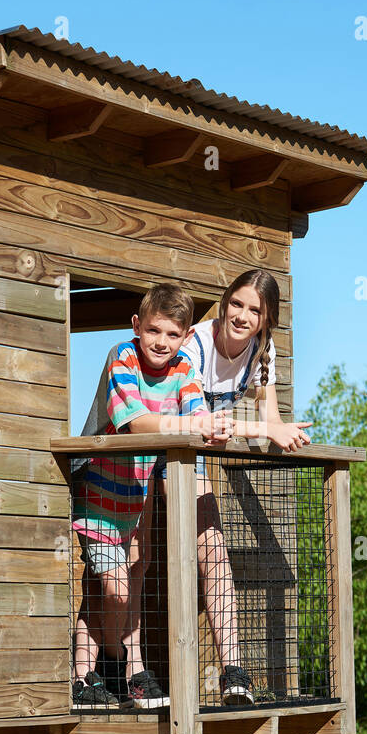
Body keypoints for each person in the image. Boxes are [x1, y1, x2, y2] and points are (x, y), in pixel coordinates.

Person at [69, 283, 230, 709]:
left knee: (131, 580)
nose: (162, 343)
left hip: (136, 497)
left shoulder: (182, 370)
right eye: (154, 331)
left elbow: (197, 413)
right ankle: (103, 668)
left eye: (173, 335)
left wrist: (207, 424)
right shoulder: (122, 357)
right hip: (99, 497)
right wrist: (195, 427)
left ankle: (114, 675)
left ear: (185, 336)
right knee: (115, 588)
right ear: (137, 326)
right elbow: (136, 424)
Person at [156, 268, 313, 706]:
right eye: (237, 303)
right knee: (142, 560)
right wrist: (257, 431)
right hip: (161, 449)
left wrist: (284, 431)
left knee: (212, 551)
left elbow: (270, 420)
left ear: (266, 319)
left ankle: (232, 672)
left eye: (254, 310)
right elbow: (197, 422)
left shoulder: (263, 351)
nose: (242, 315)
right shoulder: (195, 345)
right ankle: (132, 674)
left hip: (194, 457)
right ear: (225, 303)